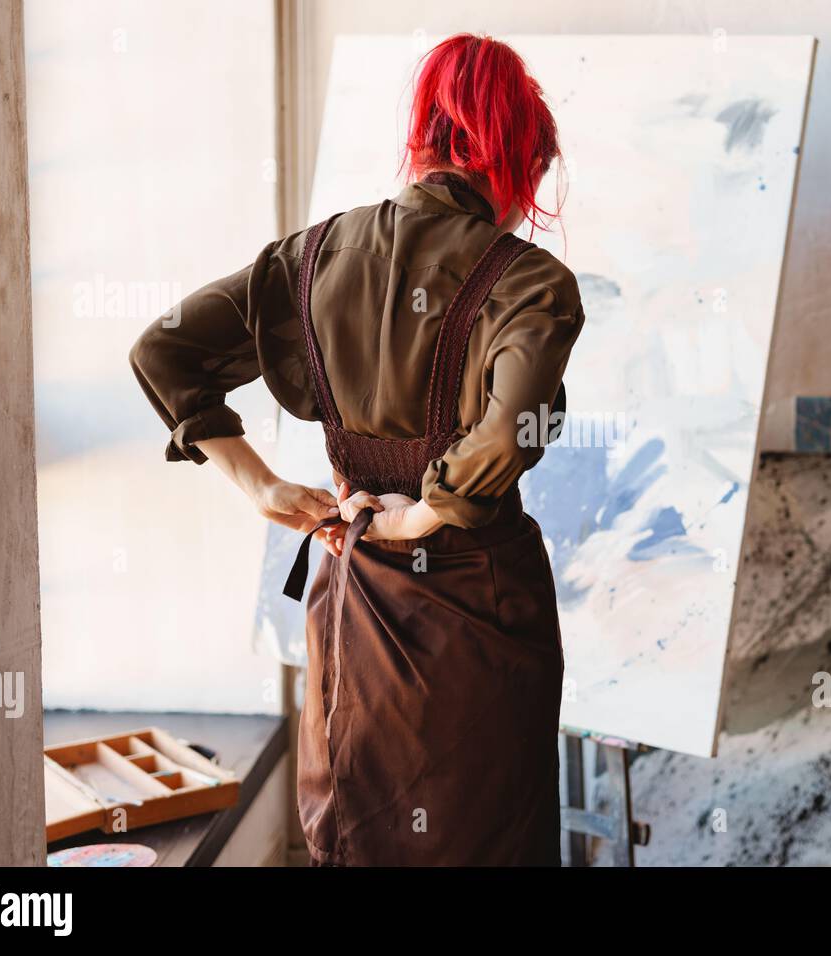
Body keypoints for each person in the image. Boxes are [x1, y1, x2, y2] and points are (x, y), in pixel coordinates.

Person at [129, 33, 583, 865]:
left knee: (357, 825)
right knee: (487, 838)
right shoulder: (529, 283)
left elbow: (163, 349)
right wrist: (428, 515)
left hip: (352, 595)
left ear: (423, 137)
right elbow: (515, 417)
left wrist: (260, 485)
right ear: (515, 159)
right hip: (479, 613)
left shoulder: (311, 259)